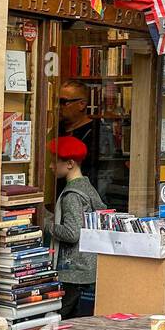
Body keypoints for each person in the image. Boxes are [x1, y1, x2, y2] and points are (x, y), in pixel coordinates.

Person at [44, 135, 105, 319]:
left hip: (73, 272)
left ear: (70, 163)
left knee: (61, 319)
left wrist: (46, 224)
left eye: (55, 162)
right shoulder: (88, 188)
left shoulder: (71, 195)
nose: (50, 166)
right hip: (88, 267)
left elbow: (72, 233)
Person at [59, 78, 113, 203]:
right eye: (57, 101)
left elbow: (102, 172)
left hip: (83, 198)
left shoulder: (98, 131)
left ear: (82, 104)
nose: (59, 107)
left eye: (64, 102)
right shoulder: (56, 129)